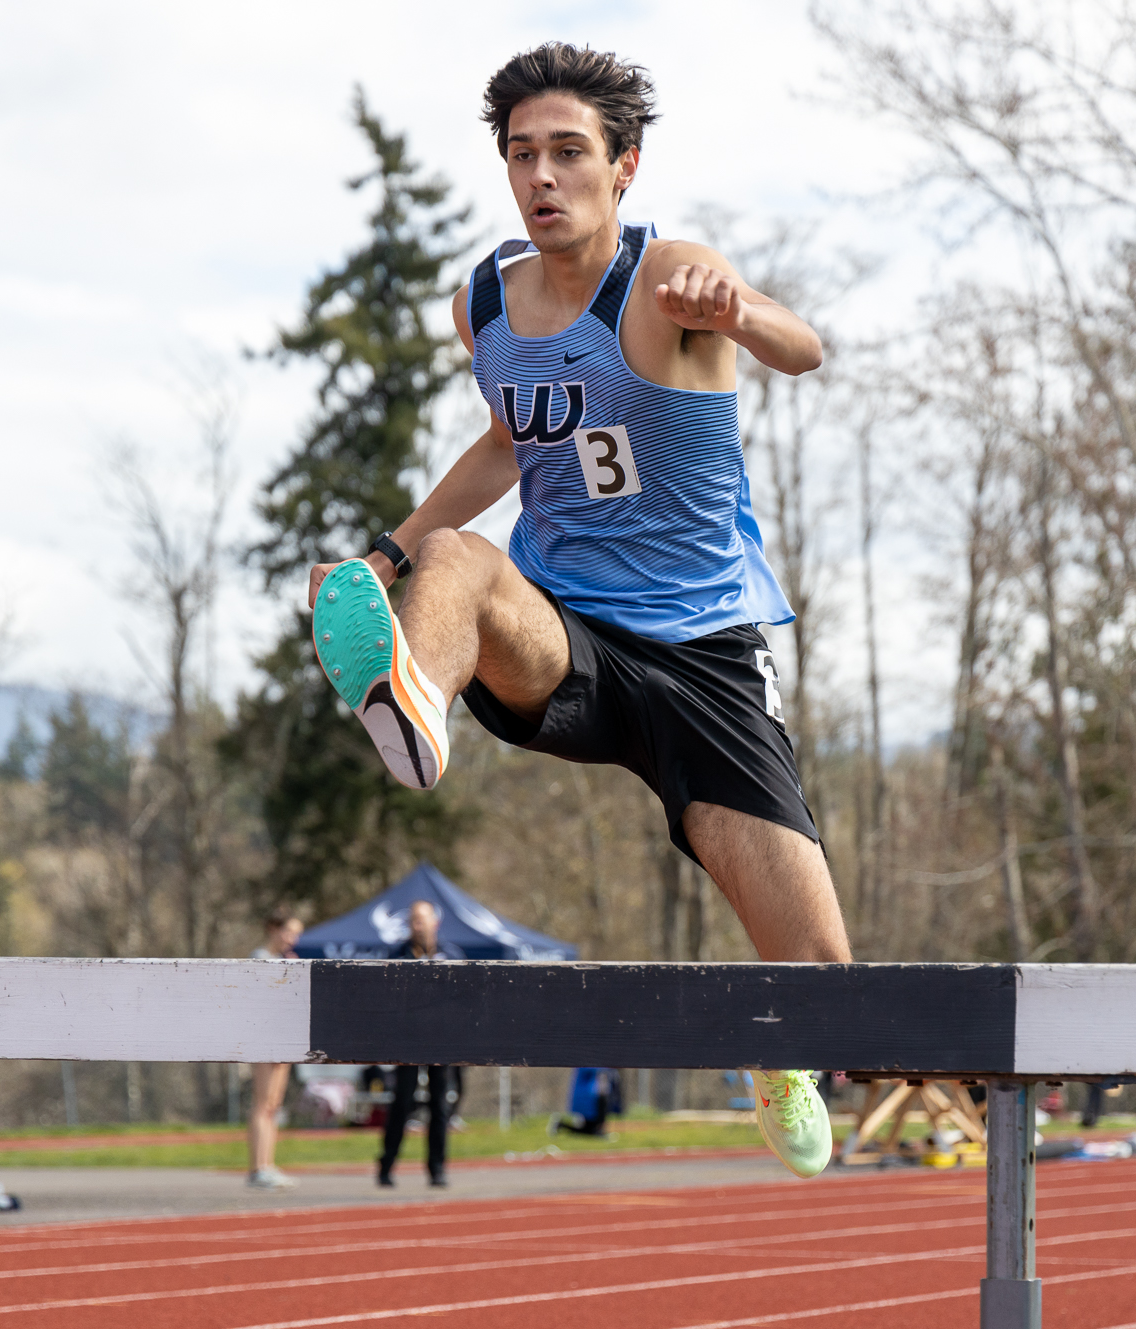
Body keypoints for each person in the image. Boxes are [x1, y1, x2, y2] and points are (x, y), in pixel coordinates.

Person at [306, 41, 845, 1181]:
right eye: (520, 157)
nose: (541, 178)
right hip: (568, 637)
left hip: (703, 658)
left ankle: (784, 1058)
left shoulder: (665, 277)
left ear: (624, 166)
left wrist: (735, 307)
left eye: (566, 154)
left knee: (824, 981)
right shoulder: (484, 304)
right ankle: (415, 695)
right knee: (455, 558)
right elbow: (506, 441)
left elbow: (804, 350)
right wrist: (385, 550)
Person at [377, 899, 455, 1188]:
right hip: (408, 1040)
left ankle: (437, 1168)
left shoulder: (451, 954)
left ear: (435, 921)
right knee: (403, 1102)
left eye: (422, 919)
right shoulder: (398, 954)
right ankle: (386, 1164)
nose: (417, 925)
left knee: (440, 1104)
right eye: (412, 920)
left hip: (441, 1040)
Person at [247, 907, 304, 1191]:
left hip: (284, 1040)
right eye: (288, 931)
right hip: (263, 1040)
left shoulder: (287, 959)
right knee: (262, 1103)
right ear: (274, 929)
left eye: (296, 933)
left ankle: (268, 1164)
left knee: (274, 1106)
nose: (292, 938)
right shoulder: (261, 958)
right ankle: (257, 1167)